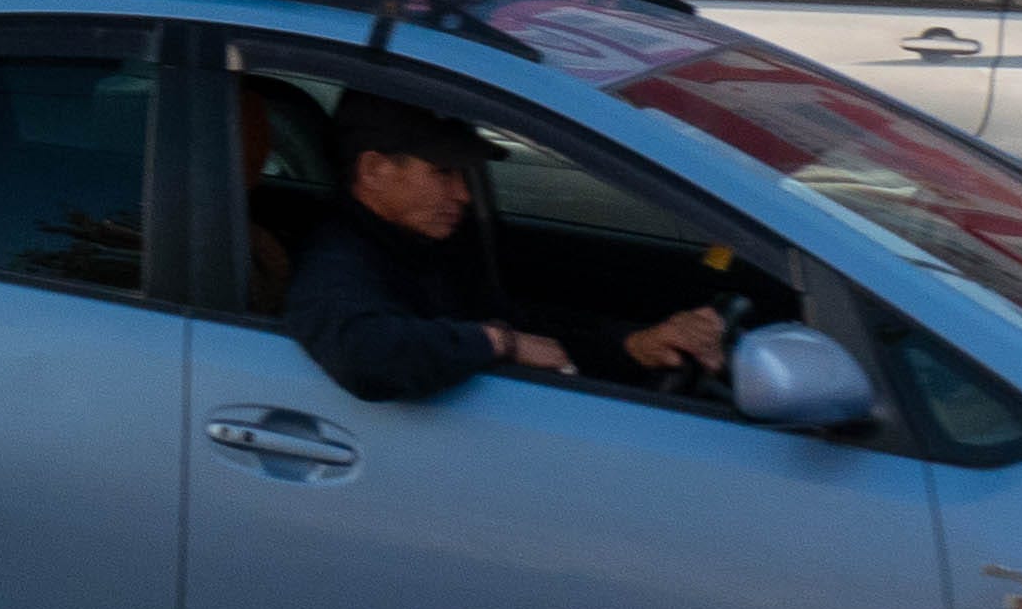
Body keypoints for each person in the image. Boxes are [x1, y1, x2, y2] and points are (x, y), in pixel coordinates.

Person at [282, 100, 731, 404]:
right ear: (374, 169)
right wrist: (498, 344)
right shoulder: (336, 263)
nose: (463, 194)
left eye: (465, 174)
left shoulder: (422, 247)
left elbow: (521, 323)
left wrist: (634, 346)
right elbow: (366, 355)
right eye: (443, 173)